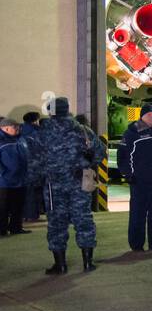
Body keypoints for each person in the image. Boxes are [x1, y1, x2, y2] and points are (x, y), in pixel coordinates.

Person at [29, 97, 103, 274]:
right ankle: (88, 263)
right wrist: (86, 164)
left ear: (51, 112)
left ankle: (60, 265)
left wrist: (34, 181)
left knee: (56, 223)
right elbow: (99, 152)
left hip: (53, 186)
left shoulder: (41, 133)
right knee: (83, 220)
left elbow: (34, 161)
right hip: (79, 183)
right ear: (67, 110)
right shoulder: (83, 130)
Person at [118, 102, 152, 251]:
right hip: (140, 181)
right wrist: (128, 174)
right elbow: (123, 156)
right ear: (142, 116)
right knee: (138, 214)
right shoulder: (132, 133)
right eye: (149, 115)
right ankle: (137, 245)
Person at [0, 118, 31, 236]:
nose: (18, 129)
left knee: (18, 206)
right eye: (15, 127)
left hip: (20, 179)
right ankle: (1, 230)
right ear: (5, 128)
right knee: (3, 207)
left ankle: (16, 227)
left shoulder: (20, 139)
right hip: (4, 182)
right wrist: (3, 173)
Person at [20, 111, 42, 223]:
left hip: (20, 166)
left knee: (24, 191)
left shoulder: (18, 130)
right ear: (35, 120)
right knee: (33, 191)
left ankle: (24, 215)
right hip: (35, 166)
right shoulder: (37, 132)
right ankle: (32, 215)